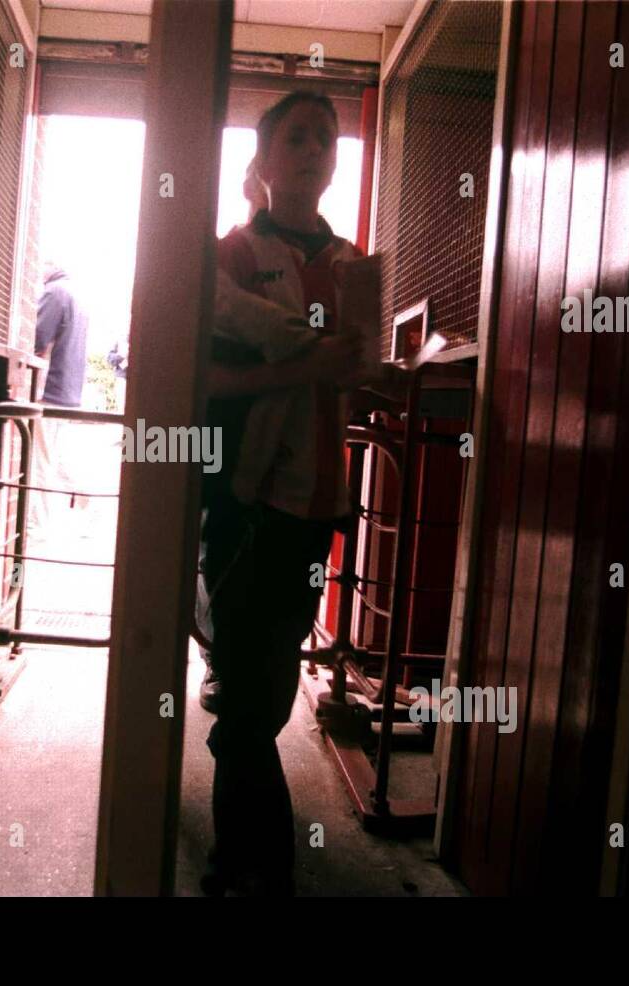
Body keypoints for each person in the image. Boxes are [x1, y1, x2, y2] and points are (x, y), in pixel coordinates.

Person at [197, 91, 410, 896]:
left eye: (326, 136)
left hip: (317, 511)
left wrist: (385, 378)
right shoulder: (233, 258)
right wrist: (304, 368)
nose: (315, 147)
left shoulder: (356, 266)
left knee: (265, 687)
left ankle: (245, 865)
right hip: (248, 501)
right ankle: (251, 871)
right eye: (296, 136)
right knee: (253, 705)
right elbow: (206, 379)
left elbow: (351, 387)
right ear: (262, 161)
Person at [198, 155, 273, 714]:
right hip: (227, 433)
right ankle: (220, 662)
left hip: (277, 442)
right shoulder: (230, 252)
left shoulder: (324, 260)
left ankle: (233, 667)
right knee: (219, 551)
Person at [28, 263, 89, 538]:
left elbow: (37, 337)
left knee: (39, 458)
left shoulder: (54, 292)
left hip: (49, 390)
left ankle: (36, 525)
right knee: (56, 455)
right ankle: (88, 500)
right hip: (68, 391)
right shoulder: (77, 294)